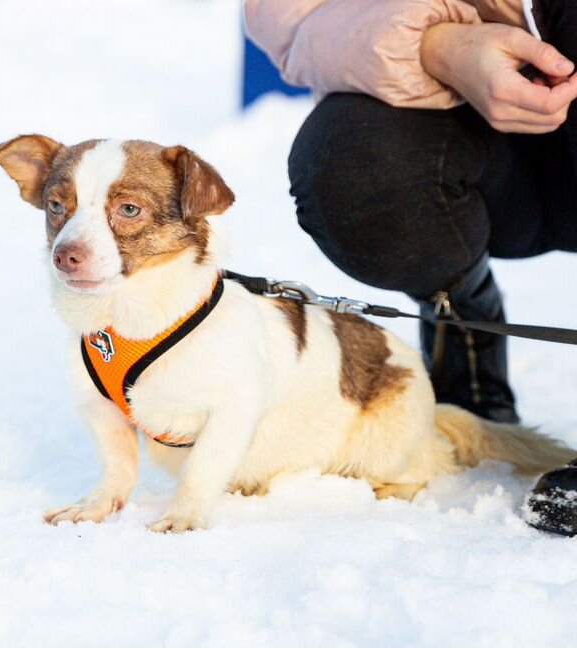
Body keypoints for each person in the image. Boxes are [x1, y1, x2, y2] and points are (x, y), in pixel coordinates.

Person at [244, 0, 577, 535]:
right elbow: (289, 16)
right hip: (465, 127)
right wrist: (436, 47)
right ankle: (464, 334)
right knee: (353, 164)